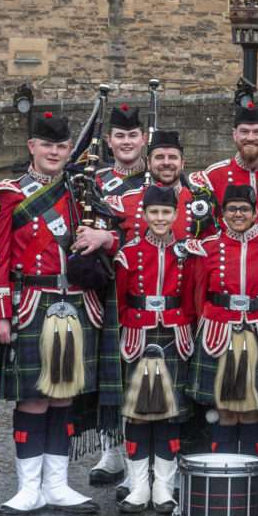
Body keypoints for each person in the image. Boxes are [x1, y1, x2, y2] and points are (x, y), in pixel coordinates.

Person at [0, 112, 106, 516]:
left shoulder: (81, 189)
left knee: (64, 396)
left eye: (61, 146)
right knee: (33, 396)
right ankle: (27, 487)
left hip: (75, 300)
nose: (54, 152)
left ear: (69, 150)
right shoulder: (8, 195)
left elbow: (117, 228)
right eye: (46, 145)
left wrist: (104, 236)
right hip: (30, 302)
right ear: (32, 148)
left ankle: (58, 484)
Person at [183, 184, 258, 457]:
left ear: (255, 212)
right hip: (218, 330)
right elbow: (198, 292)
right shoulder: (209, 246)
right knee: (224, 408)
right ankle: (222, 470)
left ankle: (253, 471)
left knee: (253, 407)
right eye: (232, 209)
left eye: (244, 209)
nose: (238, 214)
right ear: (222, 212)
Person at [111, 184, 193, 514]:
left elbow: (192, 297)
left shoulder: (188, 253)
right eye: (154, 212)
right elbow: (117, 300)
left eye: (166, 212)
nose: (160, 218)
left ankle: (163, 485)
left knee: (169, 414)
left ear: (175, 215)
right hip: (137, 335)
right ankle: (138, 485)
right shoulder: (127, 254)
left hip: (175, 335)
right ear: (144, 215)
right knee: (138, 414)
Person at [86, 101, 150, 488]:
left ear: (144, 139)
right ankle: (111, 449)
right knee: (109, 372)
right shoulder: (94, 181)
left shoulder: (160, 179)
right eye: (120, 136)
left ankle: (136, 457)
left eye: (133, 135)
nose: (126, 142)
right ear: (109, 141)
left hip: (143, 286)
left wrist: (112, 238)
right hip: (104, 286)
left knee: (138, 372)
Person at [190, 101, 258, 215]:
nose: (250, 138)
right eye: (244, 131)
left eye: (257, 132)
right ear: (234, 134)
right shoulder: (213, 176)